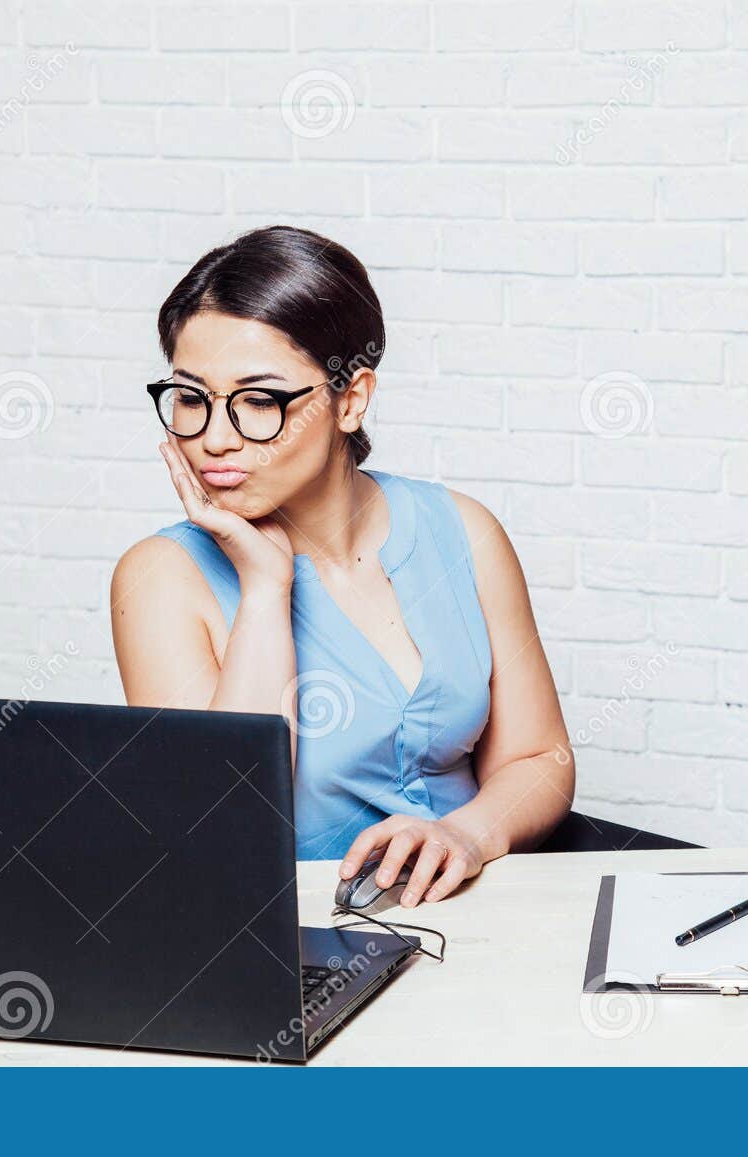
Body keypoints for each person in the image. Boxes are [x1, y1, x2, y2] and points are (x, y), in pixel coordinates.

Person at [111, 225, 575, 907]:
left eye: (259, 401)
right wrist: (266, 591)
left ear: (350, 398)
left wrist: (466, 835)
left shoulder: (463, 533)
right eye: (190, 397)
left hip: (479, 916)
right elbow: (221, 833)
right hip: (293, 944)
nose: (213, 437)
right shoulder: (160, 579)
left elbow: (540, 759)